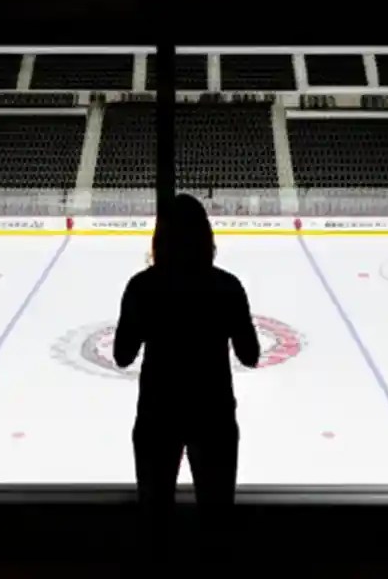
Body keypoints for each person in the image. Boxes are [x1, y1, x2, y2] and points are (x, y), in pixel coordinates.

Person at [113, 193, 261, 559]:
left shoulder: (142, 287)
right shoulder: (227, 287)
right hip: (213, 415)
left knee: (155, 523)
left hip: (158, 415)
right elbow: (250, 355)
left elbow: (122, 355)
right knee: (217, 523)